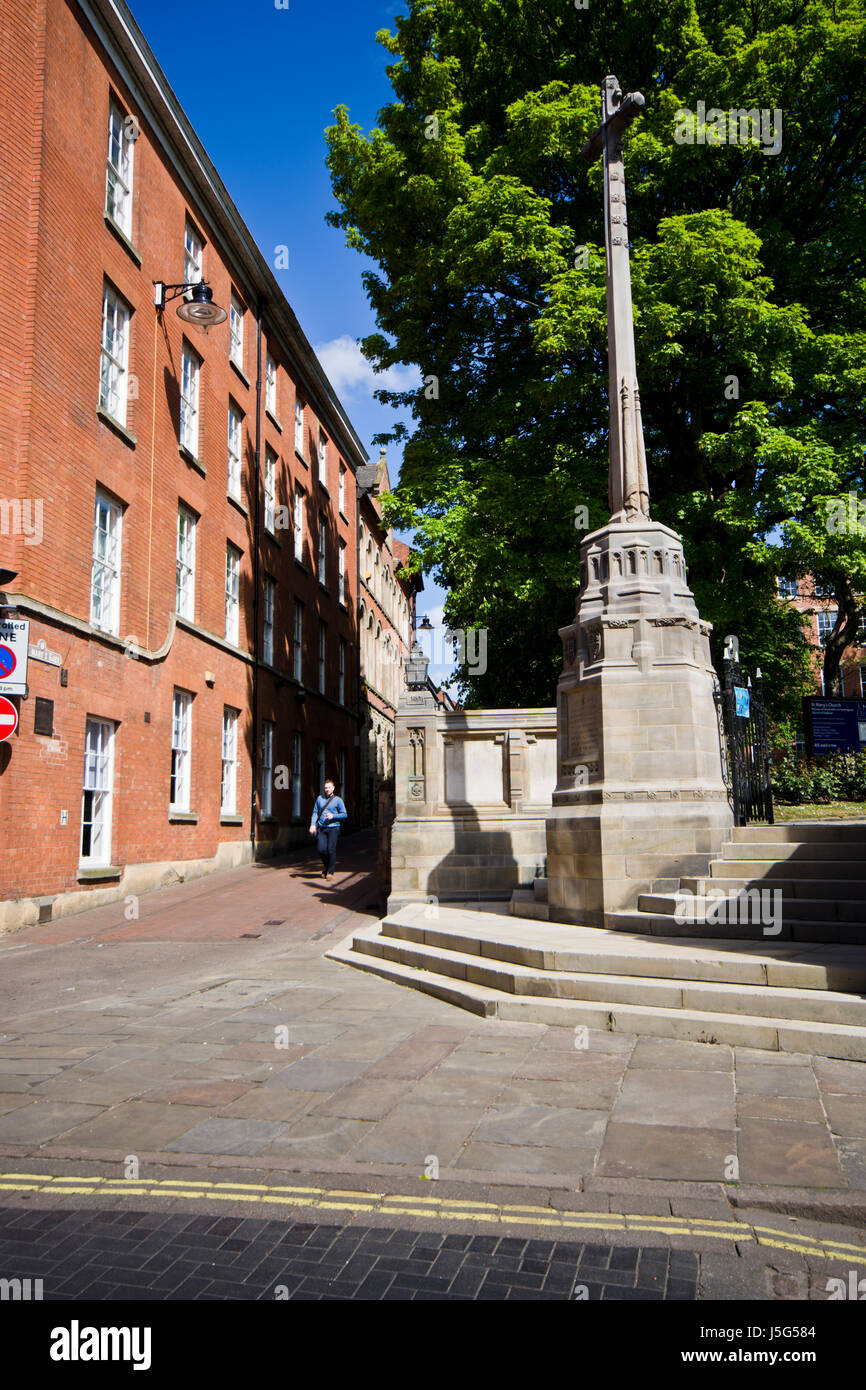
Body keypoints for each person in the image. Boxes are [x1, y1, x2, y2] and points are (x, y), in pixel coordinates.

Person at [309, 779, 347, 880]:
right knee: (321, 850)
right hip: (322, 828)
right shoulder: (319, 799)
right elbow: (315, 812)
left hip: (334, 827)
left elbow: (344, 814)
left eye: (329, 787)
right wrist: (313, 825)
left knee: (331, 849)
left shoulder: (338, 800)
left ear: (333, 788)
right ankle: (327, 866)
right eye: (326, 788)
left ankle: (330, 872)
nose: (327, 789)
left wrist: (333, 816)